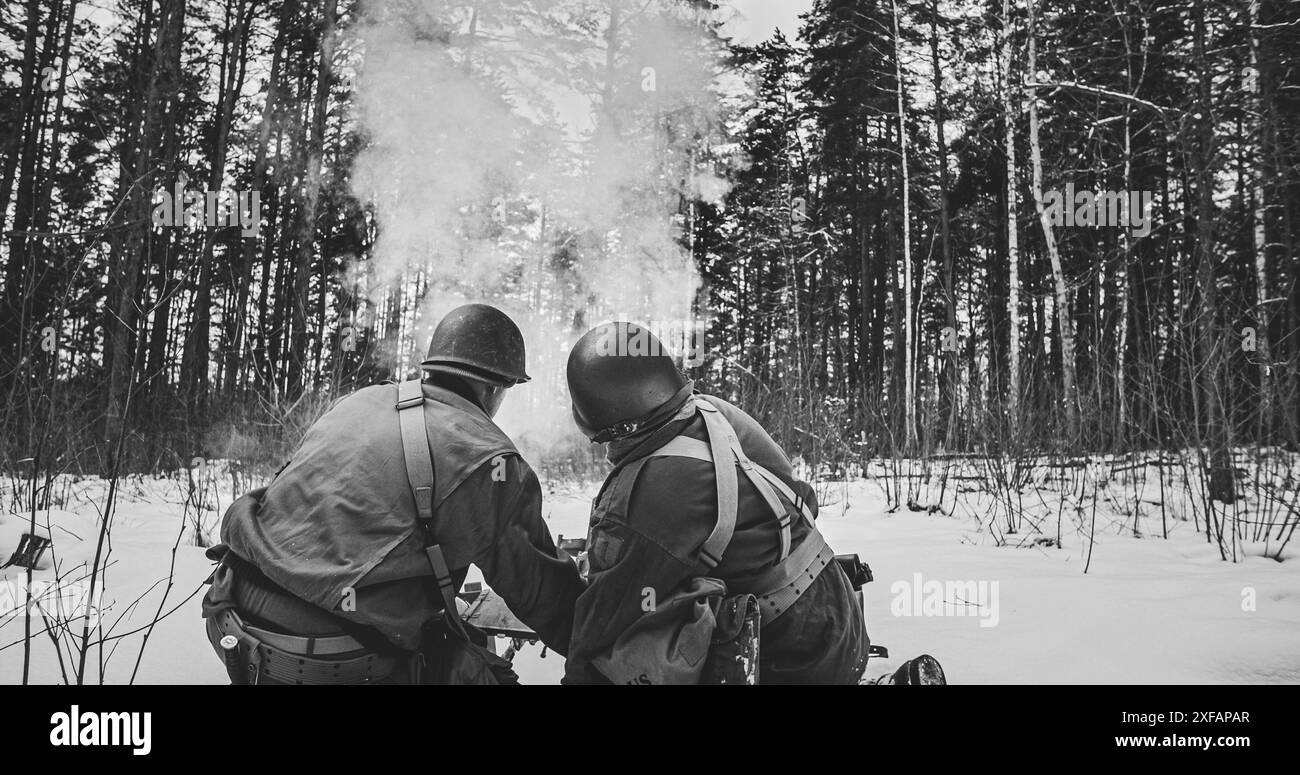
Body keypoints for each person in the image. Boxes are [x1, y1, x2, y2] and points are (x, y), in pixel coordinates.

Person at [201, 303, 584, 684]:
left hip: (229, 610)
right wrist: (604, 653)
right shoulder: (490, 458)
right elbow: (544, 594)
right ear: (495, 387)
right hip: (325, 657)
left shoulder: (359, 401)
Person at [562, 321, 945, 685]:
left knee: (638, 640)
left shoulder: (645, 489)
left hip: (787, 654)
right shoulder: (713, 412)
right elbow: (802, 499)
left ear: (604, 422)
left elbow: (604, 619)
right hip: (838, 613)